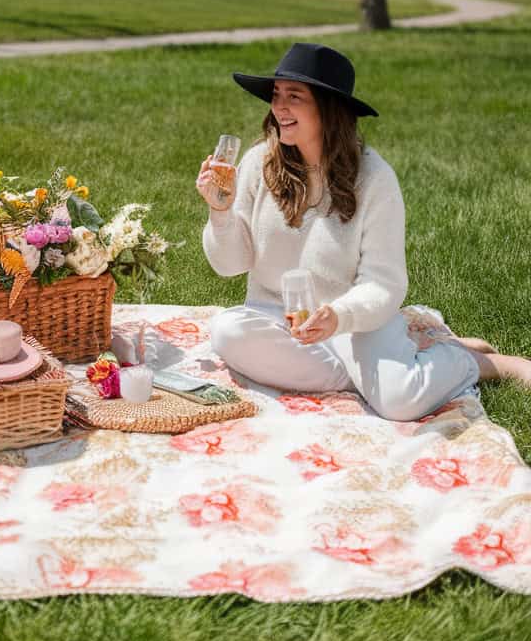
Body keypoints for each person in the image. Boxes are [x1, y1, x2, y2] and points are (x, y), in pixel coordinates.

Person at [196, 41, 531, 421]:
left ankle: (477, 362)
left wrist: (337, 318)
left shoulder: (374, 178)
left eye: (294, 96)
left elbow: (384, 283)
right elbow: (230, 265)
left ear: (328, 107)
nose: (279, 108)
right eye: (276, 95)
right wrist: (219, 212)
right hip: (278, 316)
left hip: (354, 322)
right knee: (226, 331)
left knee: (400, 404)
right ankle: (377, 374)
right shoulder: (259, 163)